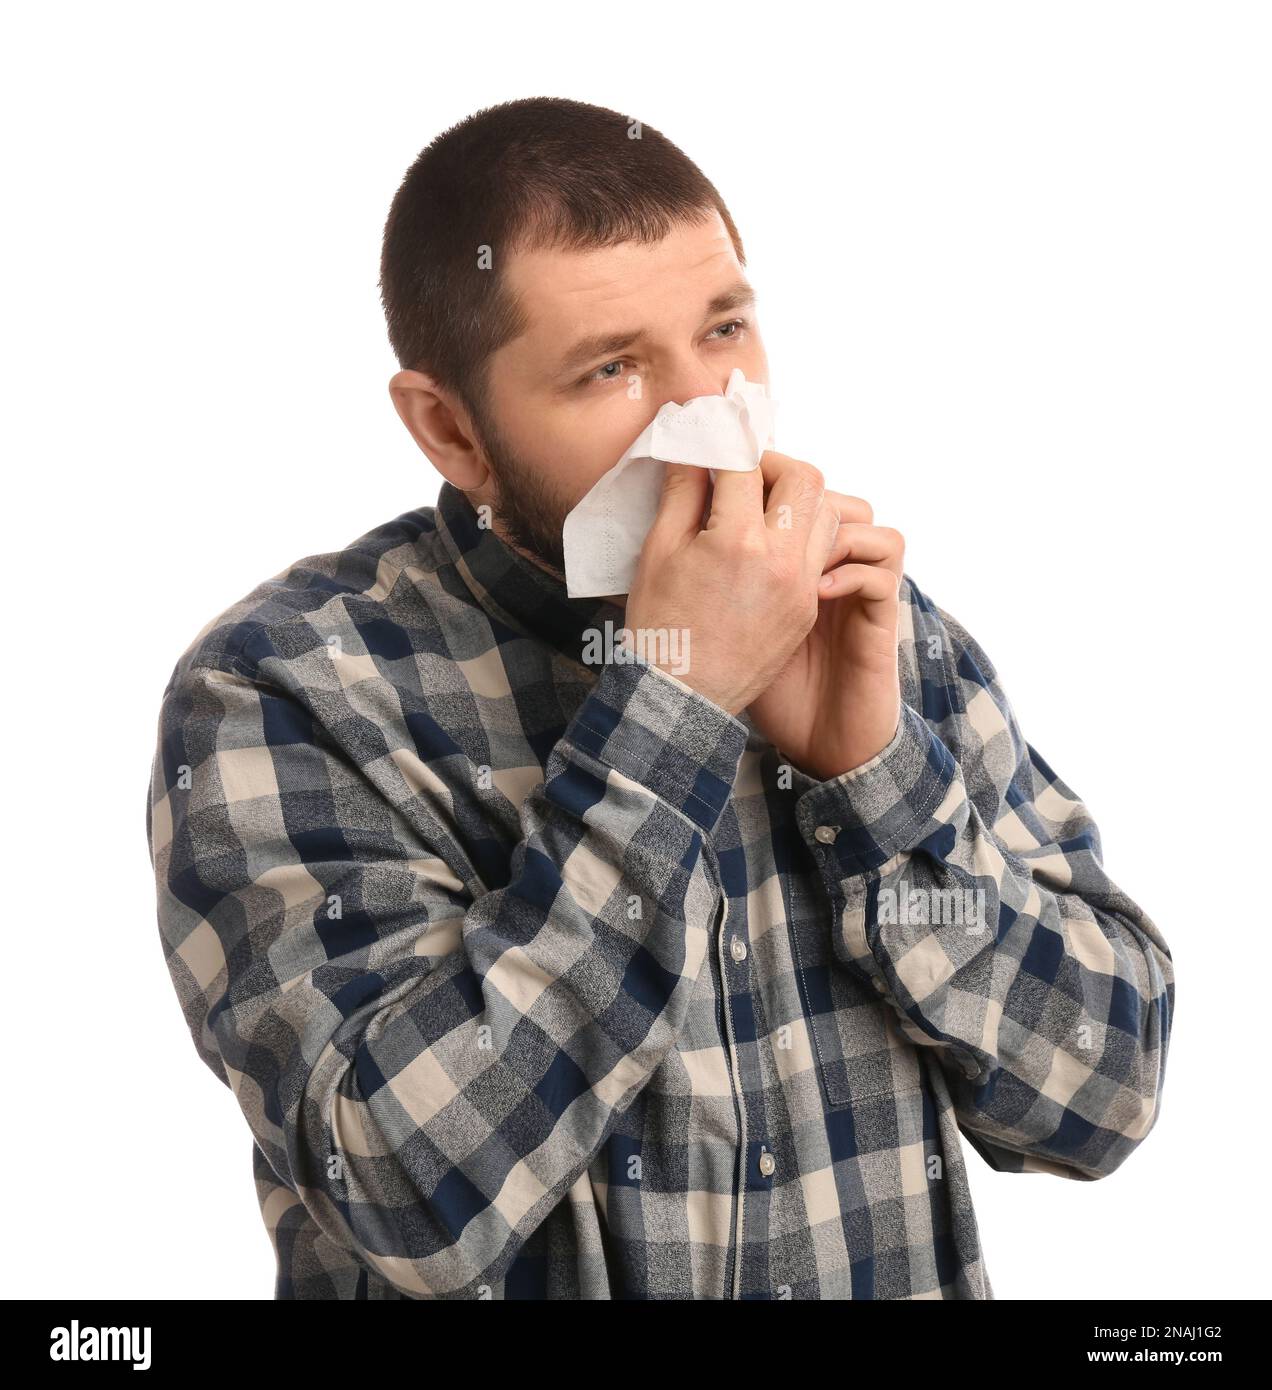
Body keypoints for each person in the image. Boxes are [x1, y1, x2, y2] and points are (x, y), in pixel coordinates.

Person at [146, 96, 1174, 1300]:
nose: (711, 428)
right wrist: (676, 701)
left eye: (725, 329)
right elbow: (405, 1192)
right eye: (613, 369)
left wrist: (876, 784)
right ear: (451, 430)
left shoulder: (880, 633)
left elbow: (1105, 1098)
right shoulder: (288, 687)